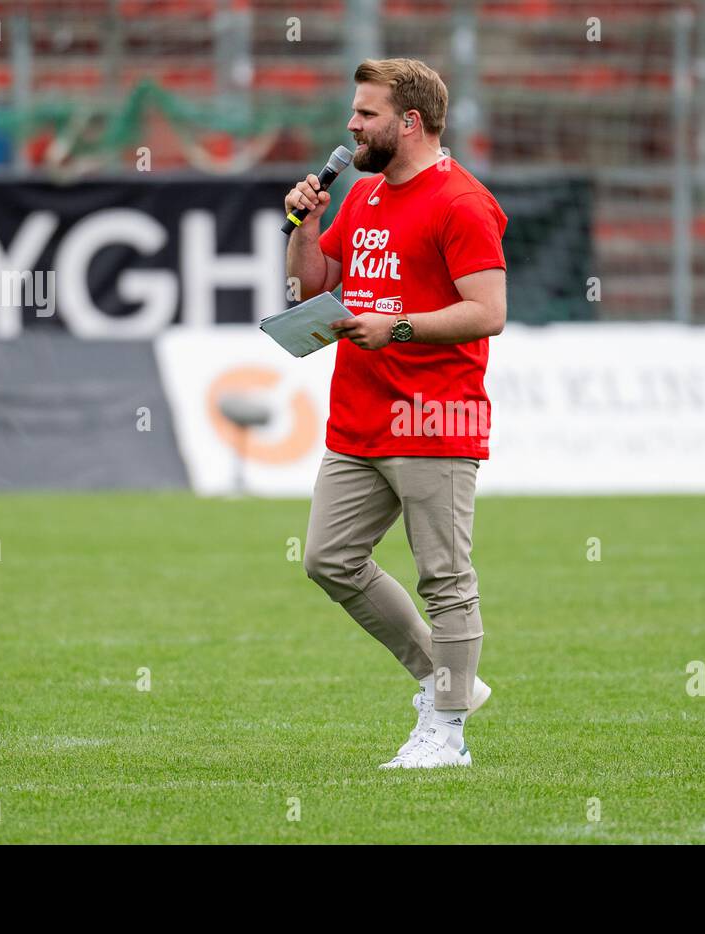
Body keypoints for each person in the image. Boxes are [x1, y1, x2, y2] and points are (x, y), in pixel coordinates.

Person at [284, 58, 508, 769]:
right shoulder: (364, 196)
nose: (352, 126)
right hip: (359, 417)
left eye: (366, 114)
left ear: (409, 122)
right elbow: (311, 284)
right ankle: (446, 684)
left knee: (444, 577)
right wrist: (303, 224)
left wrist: (399, 327)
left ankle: (447, 734)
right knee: (328, 559)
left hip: (434, 420)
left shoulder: (462, 203)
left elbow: (489, 313)